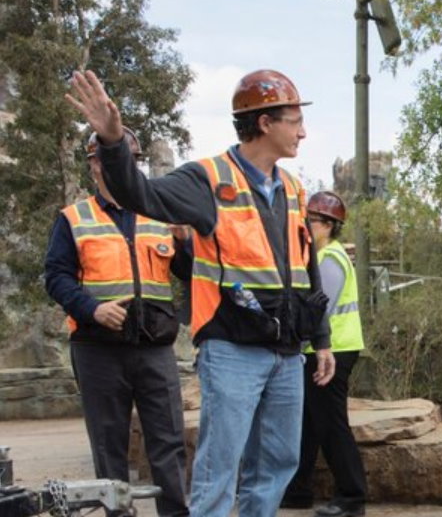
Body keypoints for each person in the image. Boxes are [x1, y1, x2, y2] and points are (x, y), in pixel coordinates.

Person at [65, 68, 335, 517]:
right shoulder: (208, 179)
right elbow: (139, 195)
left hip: (287, 352)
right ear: (265, 123)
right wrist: (112, 143)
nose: (302, 131)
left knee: (278, 462)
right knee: (219, 466)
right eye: (294, 120)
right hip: (232, 349)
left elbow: (304, 268)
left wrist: (320, 339)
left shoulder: (291, 187)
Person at [44, 128, 189, 516]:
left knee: (168, 440)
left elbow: (190, 273)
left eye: (130, 160)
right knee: (109, 445)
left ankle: (175, 512)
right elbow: (55, 277)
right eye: (110, 159)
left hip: (155, 347)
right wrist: (92, 309)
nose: (122, 167)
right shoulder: (74, 218)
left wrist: (186, 242)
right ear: (94, 166)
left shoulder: (159, 214)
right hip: (98, 349)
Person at [283, 191, 367, 517]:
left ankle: (351, 497)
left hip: (334, 350)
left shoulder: (330, 260)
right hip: (318, 350)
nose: (304, 226)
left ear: (329, 225)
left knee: (331, 423)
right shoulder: (318, 257)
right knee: (307, 423)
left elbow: (318, 309)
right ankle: (297, 490)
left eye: (311, 221)